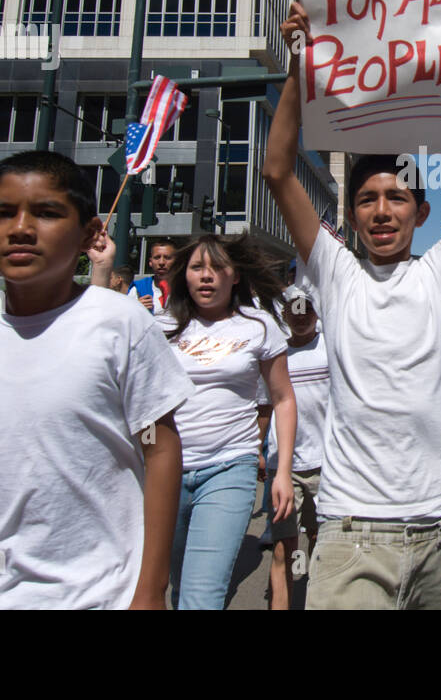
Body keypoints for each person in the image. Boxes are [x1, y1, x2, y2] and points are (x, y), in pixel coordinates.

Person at [262, 0, 441, 610]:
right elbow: (276, 170)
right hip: (350, 534)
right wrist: (299, 65)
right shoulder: (335, 272)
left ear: (421, 214)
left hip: (439, 536)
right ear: (351, 216)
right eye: (367, 198)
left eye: (397, 198)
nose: (381, 210)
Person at [0, 150, 193, 609]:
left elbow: (161, 448)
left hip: (96, 591)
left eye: (47, 213)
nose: (21, 228)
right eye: (2, 213)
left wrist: (149, 590)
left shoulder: (120, 324)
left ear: (89, 233)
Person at [158, 232, 296, 610]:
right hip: (164, 474)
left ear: (235, 276)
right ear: (183, 275)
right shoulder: (160, 326)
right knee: (173, 584)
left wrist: (282, 471)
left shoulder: (259, 325)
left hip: (229, 468)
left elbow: (283, 399)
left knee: (202, 596)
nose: (206, 276)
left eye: (217, 267)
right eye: (197, 267)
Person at [264, 283, 329, 610]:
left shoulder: (331, 349)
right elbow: (264, 408)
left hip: (325, 466)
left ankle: (316, 598)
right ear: (285, 313)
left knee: (321, 541)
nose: (302, 315)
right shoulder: (274, 354)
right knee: (283, 548)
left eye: (308, 308)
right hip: (284, 469)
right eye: (295, 309)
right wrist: (259, 453)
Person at [134, 240, 177, 313]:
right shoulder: (137, 290)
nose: (161, 262)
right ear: (150, 262)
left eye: (167, 258)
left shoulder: (186, 290)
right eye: (157, 257)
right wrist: (135, 307)